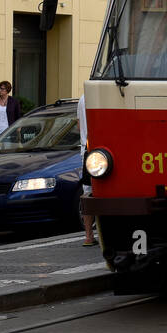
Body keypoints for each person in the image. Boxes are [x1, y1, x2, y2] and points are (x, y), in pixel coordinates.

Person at [78, 93, 97, 247]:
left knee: (87, 192)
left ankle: (88, 236)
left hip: (86, 150)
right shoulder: (100, 93)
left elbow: (79, 125)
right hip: (100, 149)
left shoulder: (83, 98)